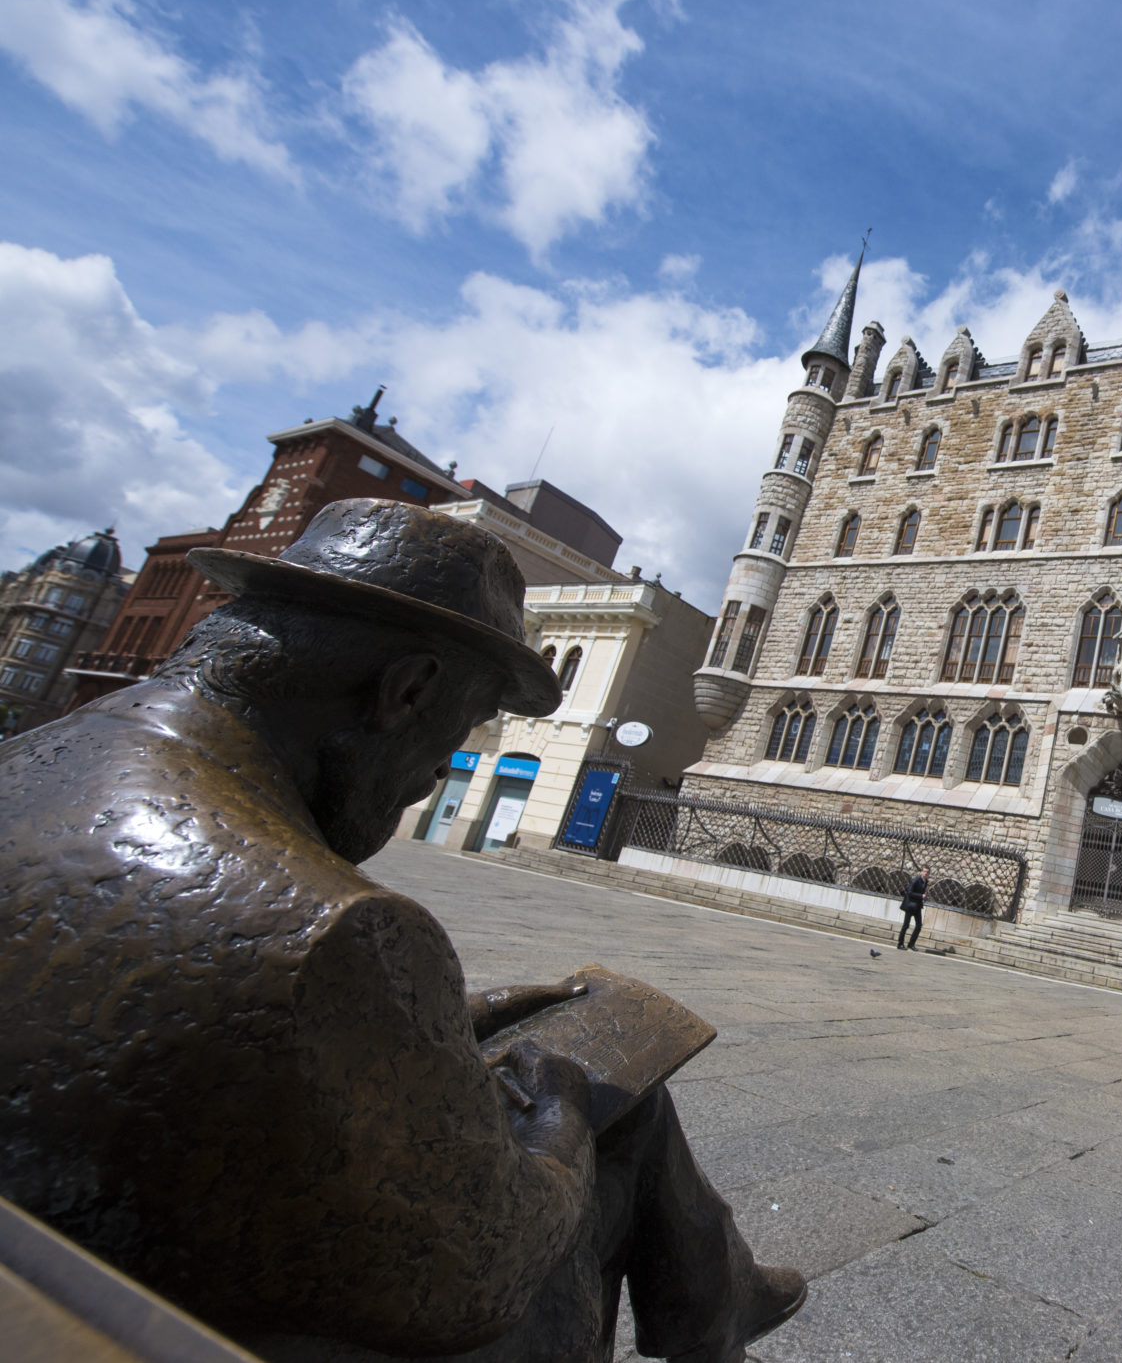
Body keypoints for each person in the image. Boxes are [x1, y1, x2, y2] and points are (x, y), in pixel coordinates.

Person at [0, 500, 802, 1363]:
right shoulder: (336, 924)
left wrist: (438, 1016)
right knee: (612, 1094)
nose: (429, 778)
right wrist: (563, 1115)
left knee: (579, 1043)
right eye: (451, 734)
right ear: (406, 690)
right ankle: (715, 1312)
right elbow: (486, 1268)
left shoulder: (32, 758)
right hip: (198, 1318)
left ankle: (721, 1302)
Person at [896, 871, 928, 950]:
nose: (925, 873)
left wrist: (923, 898)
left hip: (917, 906)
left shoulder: (925, 881)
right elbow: (909, 892)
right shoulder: (915, 880)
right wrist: (921, 896)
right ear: (921, 872)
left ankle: (911, 944)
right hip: (910, 905)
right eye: (924, 871)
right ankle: (900, 944)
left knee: (919, 925)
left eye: (927, 872)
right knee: (906, 925)